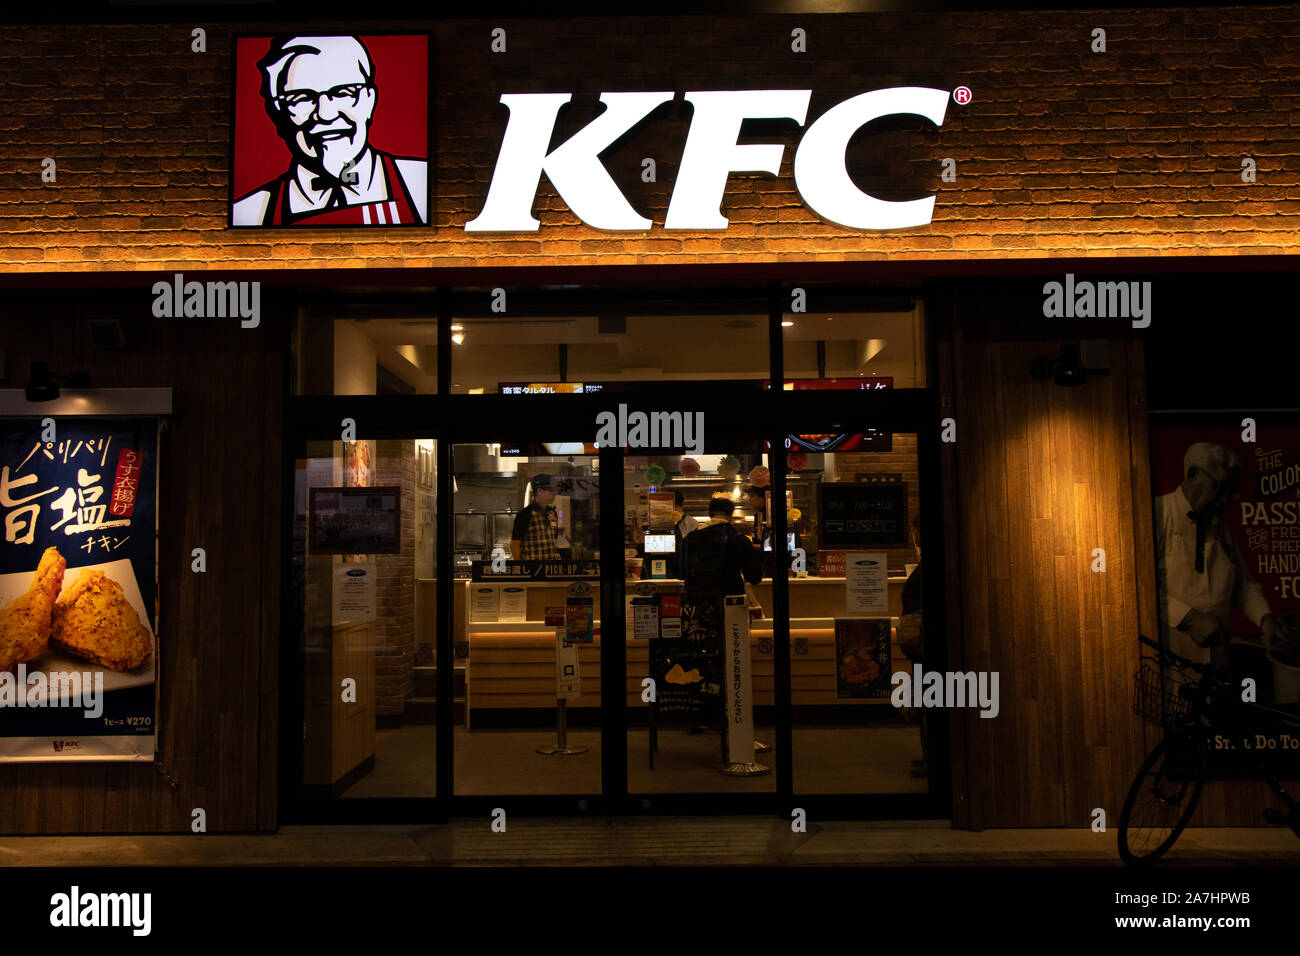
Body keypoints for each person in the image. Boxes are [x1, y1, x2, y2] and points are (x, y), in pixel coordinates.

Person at [233, 35, 429, 226]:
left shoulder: (419, 183)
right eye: (301, 98)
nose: (325, 114)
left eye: (343, 93)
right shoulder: (253, 211)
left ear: (370, 100)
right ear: (278, 112)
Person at [1154, 441, 1289, 671]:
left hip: (1216, 666)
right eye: (1219, 487)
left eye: (1231, 491)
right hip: (1169, 666)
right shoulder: (1156, 514)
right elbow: (1134, 589)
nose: (1226, 500)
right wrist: (1188, 619)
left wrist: (1264, 618)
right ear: (1192, 475)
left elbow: (1243, 586)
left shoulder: (1222, 530)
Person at [897, 516, 927, 778]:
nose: (914, 540)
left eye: (916, 533)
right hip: (919, 645)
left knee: (929, 701)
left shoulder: (930, 566)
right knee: (926, 700)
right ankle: (930, 755)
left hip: (923, 644)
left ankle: (933, 759)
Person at [510, 473, 561, 561]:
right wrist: (521, 567)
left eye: (556, 489)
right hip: (533, 568)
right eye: (551, 490)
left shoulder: (552, 513)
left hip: (552, 567)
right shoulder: (525, 514)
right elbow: (515, 544)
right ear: (539, 491)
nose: (555, 493)